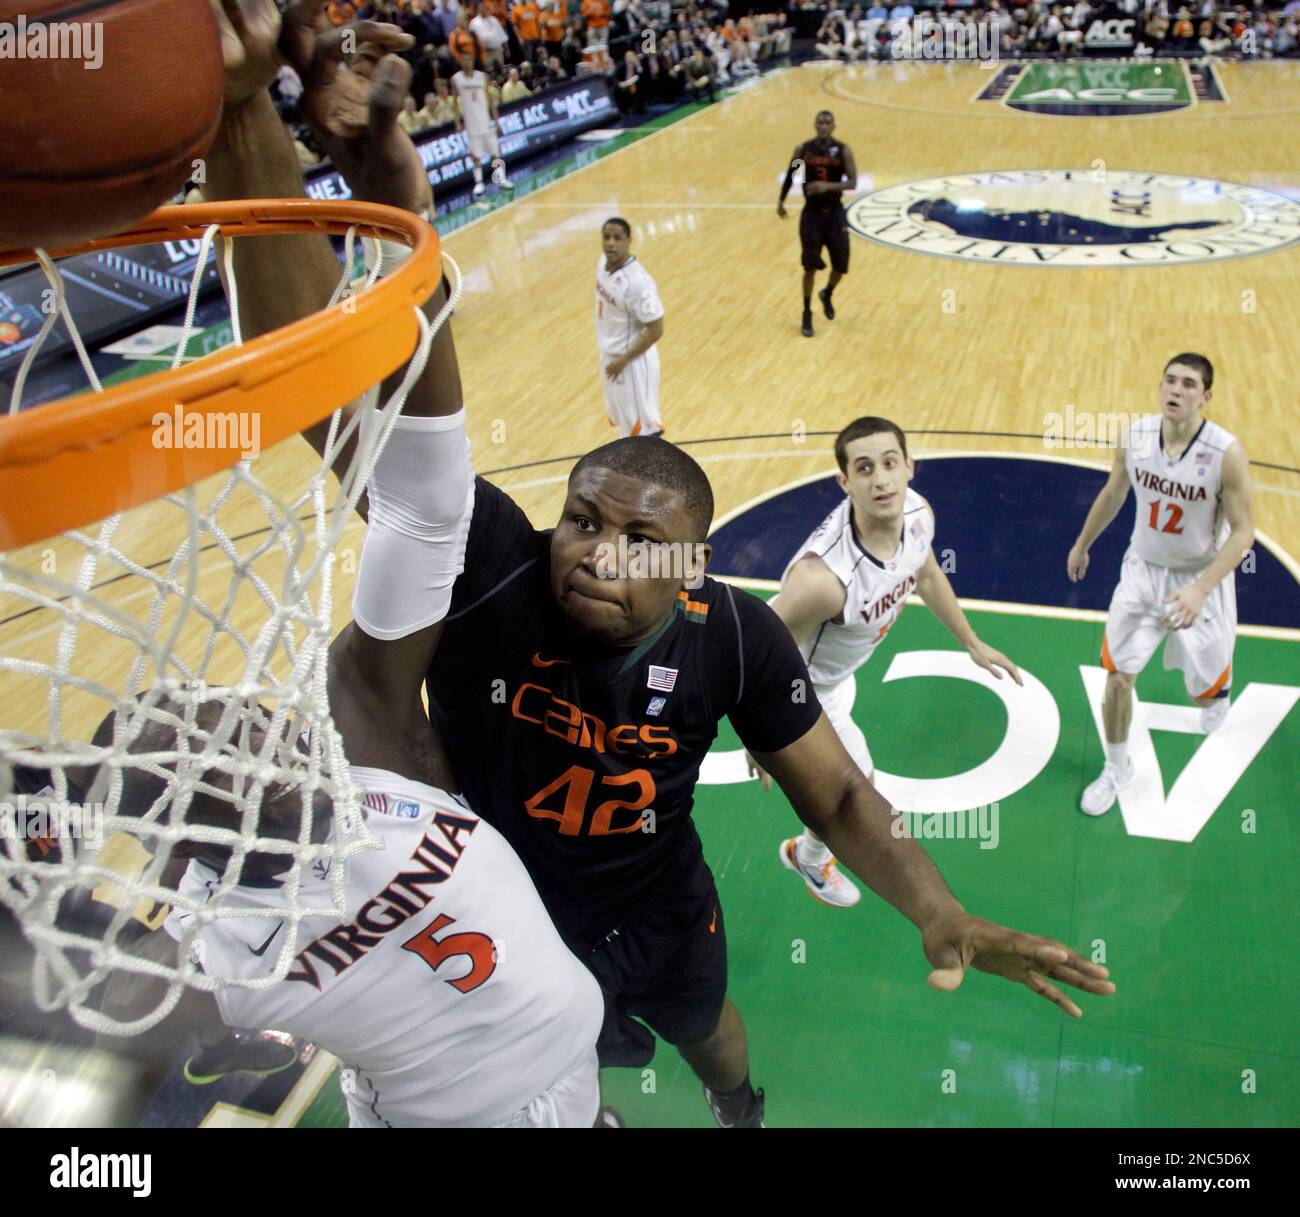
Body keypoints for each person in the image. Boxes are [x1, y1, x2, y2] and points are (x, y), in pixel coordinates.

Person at [96, 0, 605, 1129]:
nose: (243, 714)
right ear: (195, 855)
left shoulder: (377, 752)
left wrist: (320, 173)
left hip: (587, 1020)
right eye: (211, 739)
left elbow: (412, 488)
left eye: (210, 705)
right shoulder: (222, 953)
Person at [424, 351, 1115, 1124]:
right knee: (543, 1057)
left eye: (642, 539)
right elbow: (385, 432)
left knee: (706, 1027)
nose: (598, 553)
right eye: (582, 521)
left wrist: (939, 911)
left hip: (657, 903)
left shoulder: (732, 635)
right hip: (504, 901)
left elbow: (843, 792)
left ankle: (738, 1106)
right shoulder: (497, 567)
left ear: (692, 566)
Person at [751, 418, 1022, 907]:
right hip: (802, 690)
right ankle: (810, 857)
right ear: (844, 482)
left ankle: (807, 852)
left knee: (843, 787)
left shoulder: (918, 514)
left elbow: (927, 575)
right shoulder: (822, 580)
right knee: (858, 792)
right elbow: (763, 647)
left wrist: (972, 642)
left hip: (837, 673)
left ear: (909, 467)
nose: (880, 480)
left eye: (890, 463)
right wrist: (762, 734)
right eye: (864, 468)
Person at [1068, 354, 1254, 816]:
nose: (1176, 390)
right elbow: (1114, 491)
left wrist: (1201, 589)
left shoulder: (1225, 453)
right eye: (1170, 380)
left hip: (1199, 577)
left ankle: (1217, 693)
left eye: (1189, 384)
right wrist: (1083, 543)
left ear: (1205, 397)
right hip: (1142, 573)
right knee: (1117, 677)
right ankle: (1116, 768)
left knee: (1204, 693)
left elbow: (1245, 532)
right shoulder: (1136, 437)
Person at [778, 110, 857, 338]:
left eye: (827, 123)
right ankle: (806, 312)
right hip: (811, 215)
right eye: (820, 123)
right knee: (809, 267)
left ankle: (827, 293)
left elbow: (852, 183)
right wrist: (781, 201)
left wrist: (827, 186)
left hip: (834, 214)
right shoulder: (803, 149)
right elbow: (790, 175)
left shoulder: (843, 150)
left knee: (841, 266)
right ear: (815, 125)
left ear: (834, 126)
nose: (823, 126)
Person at [594, 217, 665, 438]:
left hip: (632, 363)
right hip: (611, 358)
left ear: (629, 240)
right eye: (606, 237)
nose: (611, 243)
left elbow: (656, 328)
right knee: (626, 430)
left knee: (644, 431)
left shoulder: (639, 284)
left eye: (617, 238)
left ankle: (653, 471)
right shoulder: (601, 265)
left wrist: (623, 359)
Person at [451, 49, 515, 196]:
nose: (467, 62)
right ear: (460, 62)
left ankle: (501, 179)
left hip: (486, 122)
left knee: (495, 153)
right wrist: (457, 122)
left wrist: (496, 119)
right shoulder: (456, 79)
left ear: (473, 61)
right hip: (471, 125)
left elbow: (490, 100)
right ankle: (479, 183)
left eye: (469, 59)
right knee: (476, 156)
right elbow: (454, 103)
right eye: (464, 59)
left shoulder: (482, 77)